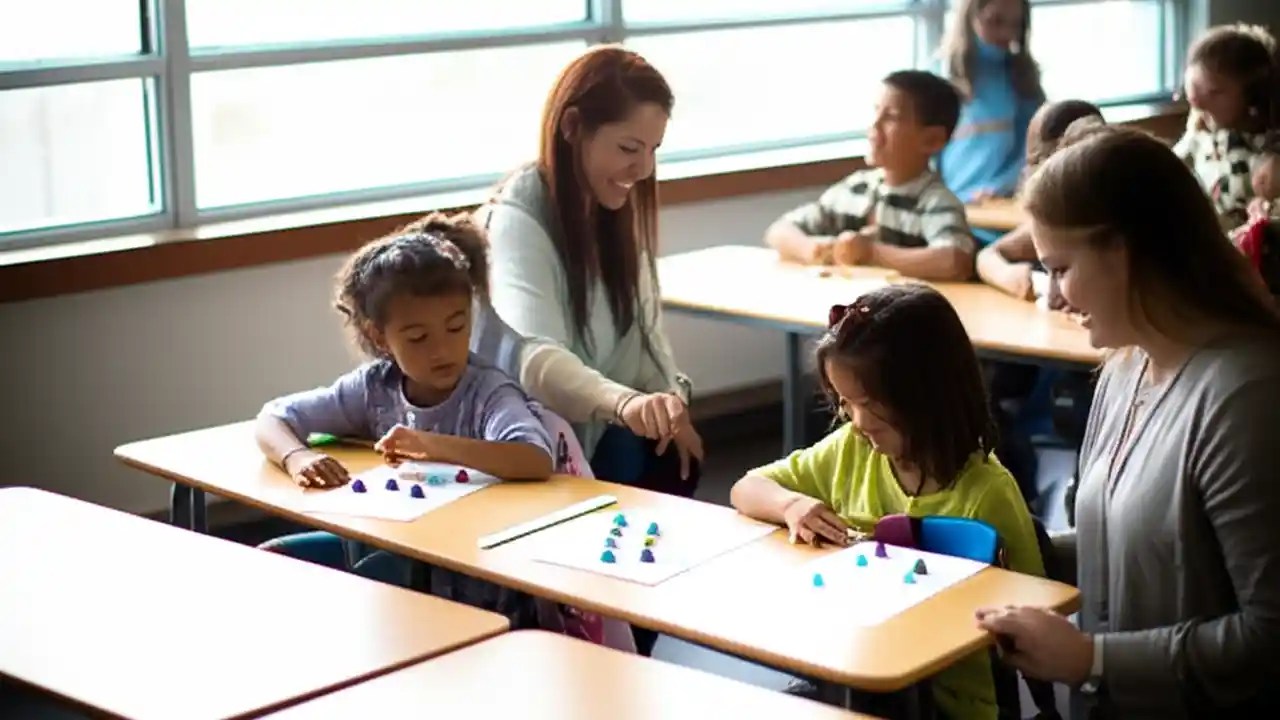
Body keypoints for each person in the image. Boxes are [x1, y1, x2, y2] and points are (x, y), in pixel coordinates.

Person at [975, 125, 1280, 718]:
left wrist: (1092, 659)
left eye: (1061, 269)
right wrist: (1004, 544)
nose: (1053, 297)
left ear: (1128, 252)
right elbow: (1134, 549)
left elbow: (1269, 636)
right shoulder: (1124, 369)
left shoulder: (1248, 397)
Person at [731, 283, 1043, 720]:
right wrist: (790, 506)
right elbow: (747, 487)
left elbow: (1038, 617)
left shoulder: (987, 493)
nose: (857, 422)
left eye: (870, 404)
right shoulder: (850, 451)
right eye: (845, 403)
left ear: (927, 394)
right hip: (851, 672)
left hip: (954, 705)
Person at [255, 212, 555, 588]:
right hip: (391, 542)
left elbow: (534, 458)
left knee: (376, 578)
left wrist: (430, 445)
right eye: (417, 337)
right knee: (270, 558)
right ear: (380, 338)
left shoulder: (487, 392)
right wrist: (297, 457)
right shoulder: (375, 387)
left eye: (457, 327)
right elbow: (274, 418)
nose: (442, 348)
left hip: (468, 565)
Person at [476, 46, 704, 500]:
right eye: (628, 148)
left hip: (592, 435)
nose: (644, 169)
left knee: (675, 456)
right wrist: (625, 404)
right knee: (630, 453)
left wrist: (670, 402)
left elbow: (646, 341)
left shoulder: (610, 209)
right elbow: (536, 361)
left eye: (654, 149)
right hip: (523, 441)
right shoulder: (516, 219)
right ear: (572, 127)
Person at [764, 70, 976, 282]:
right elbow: (779, 230)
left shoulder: (935, 201)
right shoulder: (856, 189)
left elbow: (955, 261)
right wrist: (813, 249)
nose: (874, 125)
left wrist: (871, 254)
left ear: (932, 140)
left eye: (891, 117)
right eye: (876, 111)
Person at [938, 0, 1045, 247]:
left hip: (1004, 210)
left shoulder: (1022, 78)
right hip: (950, 212)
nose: (1007, 34)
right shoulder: (942, 76)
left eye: (1016, 25)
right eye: (995, 21)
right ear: (970, 16)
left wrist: (1003, 186)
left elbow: (1037, 147)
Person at [977, 99, 1103, 305]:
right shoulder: (1049, 221)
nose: (1028, 174)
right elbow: (987, 256)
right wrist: (1012, 277)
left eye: (1035, 161)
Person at [1172, 23, 1280, 230]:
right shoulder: (1199, 132)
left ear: (1252, 99)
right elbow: (1173, 161)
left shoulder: (1265, 148)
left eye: (1214, 92)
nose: (1199, 102)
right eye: (1194, 87)